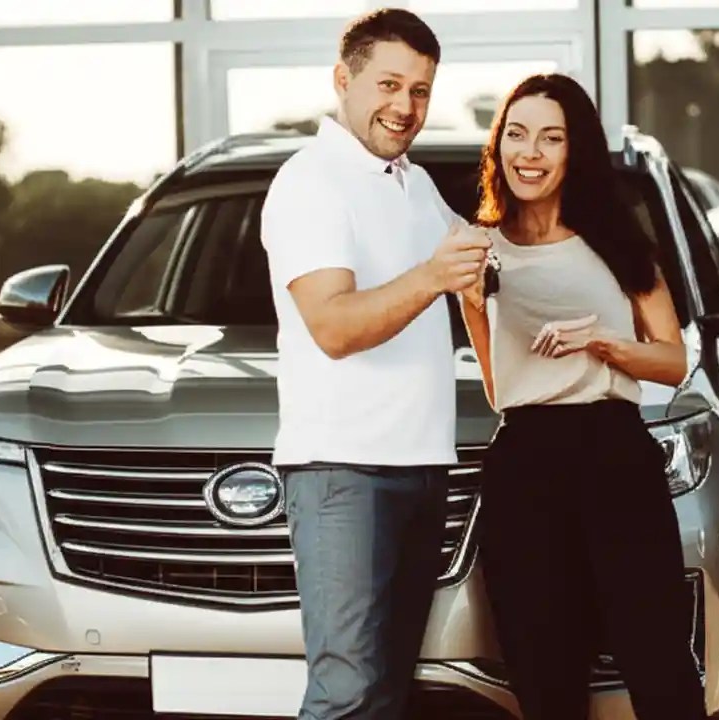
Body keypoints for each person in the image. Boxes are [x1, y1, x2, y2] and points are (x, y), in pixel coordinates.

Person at [259, 8, 491, 720]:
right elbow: (332, 325)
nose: (406, 106)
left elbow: (486, 266)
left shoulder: (411, 184)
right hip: (344, 472)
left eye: (420, 90)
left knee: (387, 692)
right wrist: (433, 275)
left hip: (420, 467)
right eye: (389, 84)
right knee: (348, 692)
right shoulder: (311, 182)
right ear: (344, 79)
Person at [459, 73, 707, 719]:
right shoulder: (478, 250)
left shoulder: (619, 244)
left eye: (550, 137)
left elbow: (675, 360)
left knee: (656, 658)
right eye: (516, 134)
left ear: (576, 152)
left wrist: (601, 341)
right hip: (524, 464)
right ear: (498, 146)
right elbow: (496, 389)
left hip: (614, 456)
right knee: (543, 672)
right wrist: (469, 300)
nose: (530, 153)